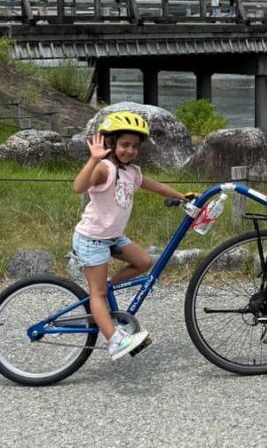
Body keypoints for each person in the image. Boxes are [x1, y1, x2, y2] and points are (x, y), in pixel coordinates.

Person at [71, 111, 194, 361]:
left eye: (135, 147)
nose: (129, 151)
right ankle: (115, 340)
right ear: (111, 143)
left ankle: (105, 289)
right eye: (125, 145)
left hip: (113, 237)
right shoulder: (104, 169)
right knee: (97, 295)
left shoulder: (132, 172)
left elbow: (157, 187)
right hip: (92, 238)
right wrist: (93, 160)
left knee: (145, 263)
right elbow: (79, 187)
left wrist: (182, 196)